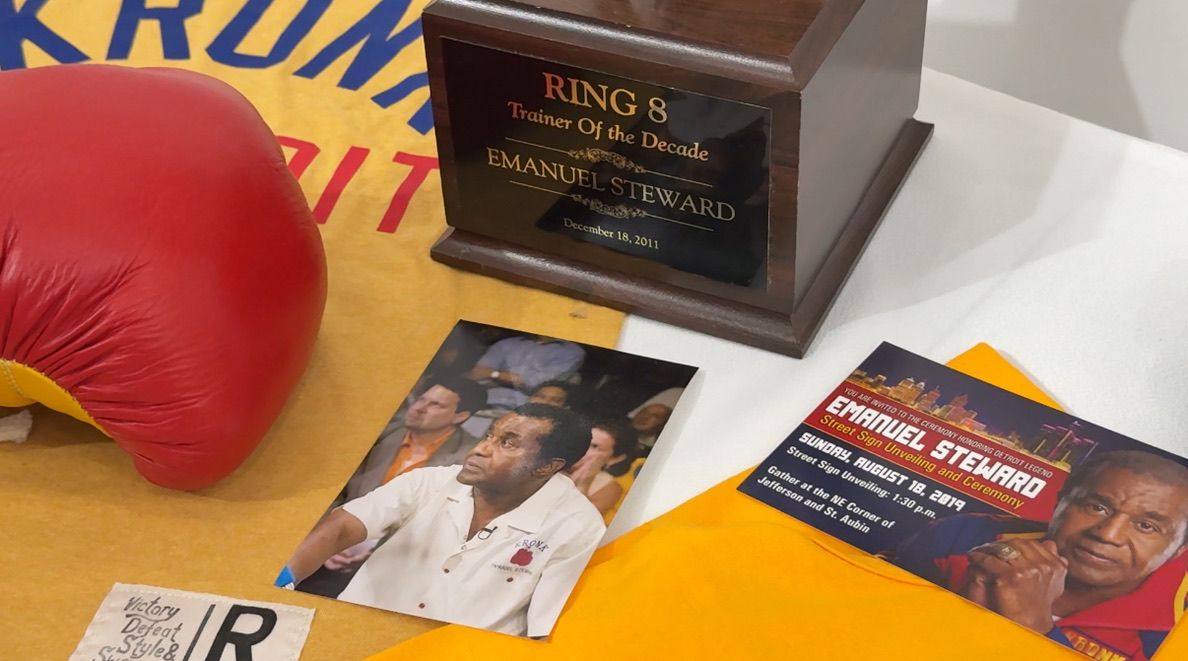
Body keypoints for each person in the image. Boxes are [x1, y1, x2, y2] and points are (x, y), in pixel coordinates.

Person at [284, 404, 606, 638]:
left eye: (507, 443)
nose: (480, 450)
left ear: (547, 467)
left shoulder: (578, 527)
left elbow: (545, 630)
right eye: (489, 435)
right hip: (353, 630)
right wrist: (284, 580)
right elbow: (341, 528)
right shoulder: (429, 481)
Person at [889, 450, 1188, 661]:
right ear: (1059, 503)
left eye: (1146, 526)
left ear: (1178, 550)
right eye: (1097, 507)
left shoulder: (1176, 637)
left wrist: (1034, 628)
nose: (1108, 534)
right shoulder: (960, 534)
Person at [298, 378, 488, 597]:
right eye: (421, 399)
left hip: (399, 555)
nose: (419, 408)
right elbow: (334, 489)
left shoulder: (469, 458)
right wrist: (327, 537)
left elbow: (447, 521)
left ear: (460, 416)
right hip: (334, 531)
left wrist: (380, 550)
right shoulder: (382, 434)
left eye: (435, 405)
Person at [465, 334, 585, 410]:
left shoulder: (571, 351)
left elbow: (537, 384)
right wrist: (509, 377)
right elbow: (477, 374)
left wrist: (495, 374)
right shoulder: (508, 343)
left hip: (526, 408)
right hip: (484, 399)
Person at [567, 419, 636, 519]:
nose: (581, 447)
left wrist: (583, 486)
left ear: (615, 459)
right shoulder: (551, 460)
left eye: (594, 446)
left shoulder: (610, 488)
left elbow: (579, 521)